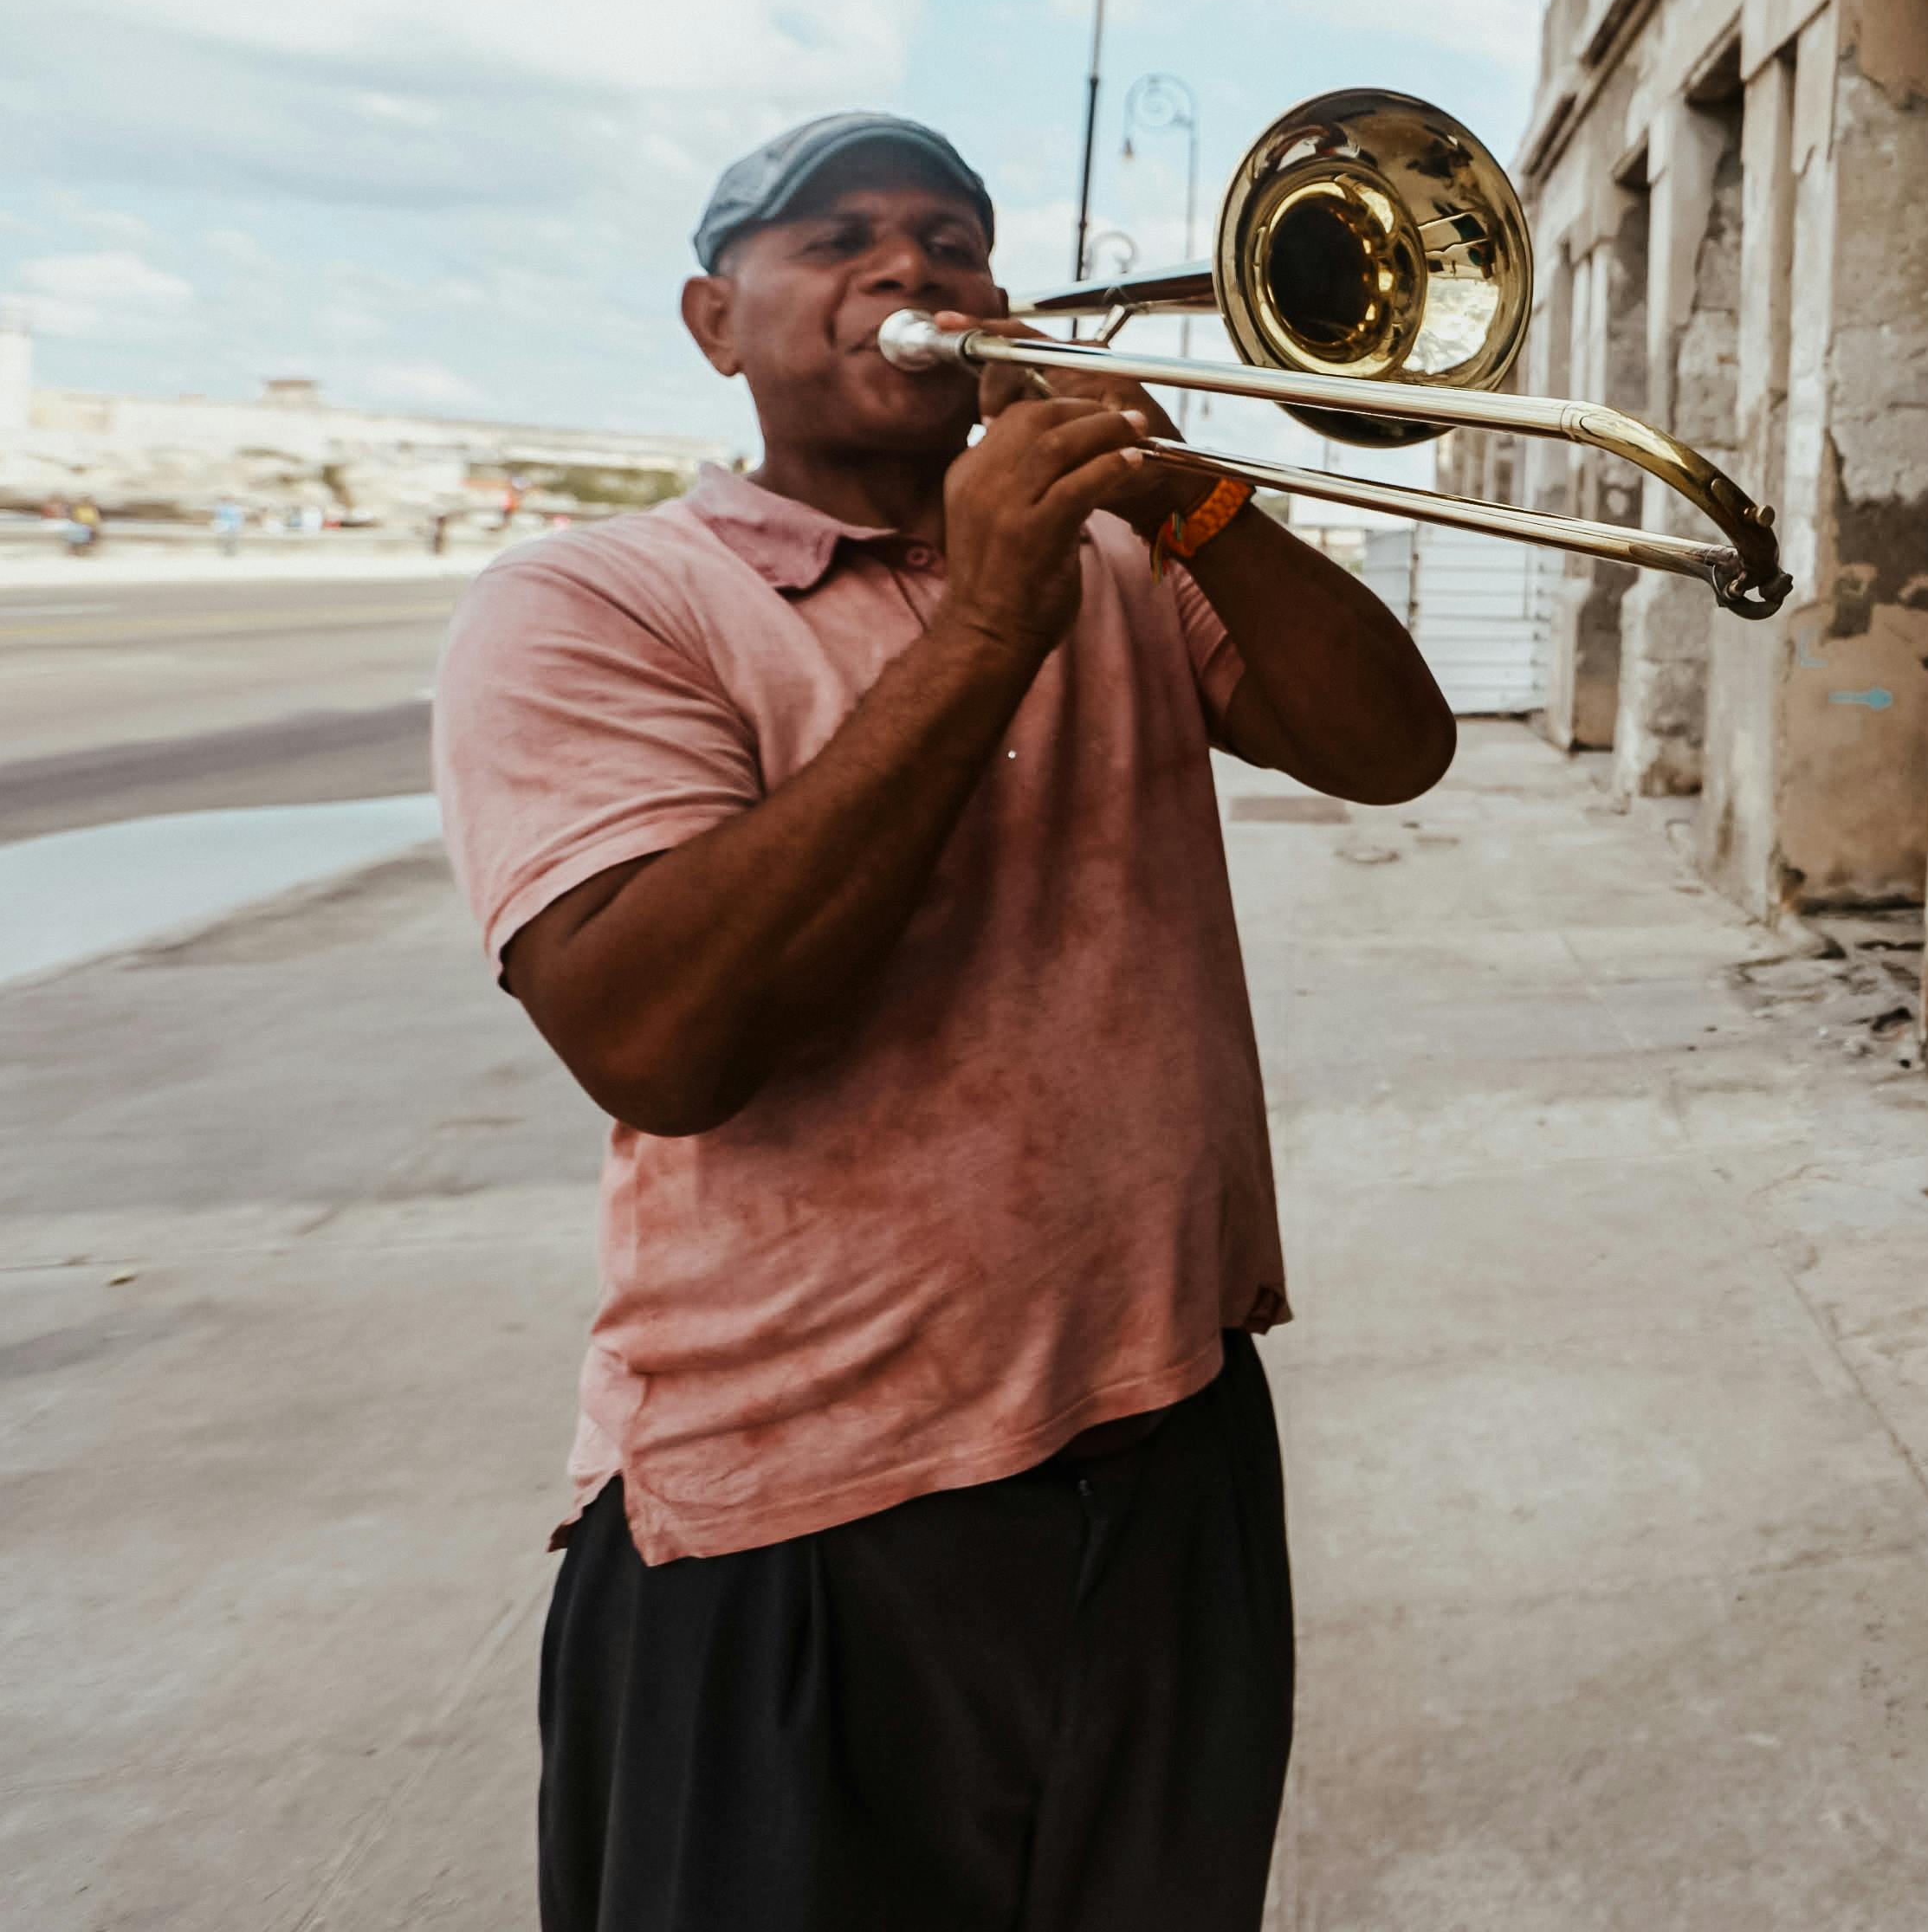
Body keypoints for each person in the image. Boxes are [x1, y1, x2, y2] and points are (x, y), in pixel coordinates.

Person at [430, 111, 1454, 1932]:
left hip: (1166, 1441)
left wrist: (1200, 503)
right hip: (794, 1508)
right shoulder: (594, 601)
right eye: (835, 240)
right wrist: (986, 622)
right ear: (710, 321)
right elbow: (659, 1039)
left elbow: (1394, 749)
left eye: (954, 242)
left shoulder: (1130, 567)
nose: (914, 272)